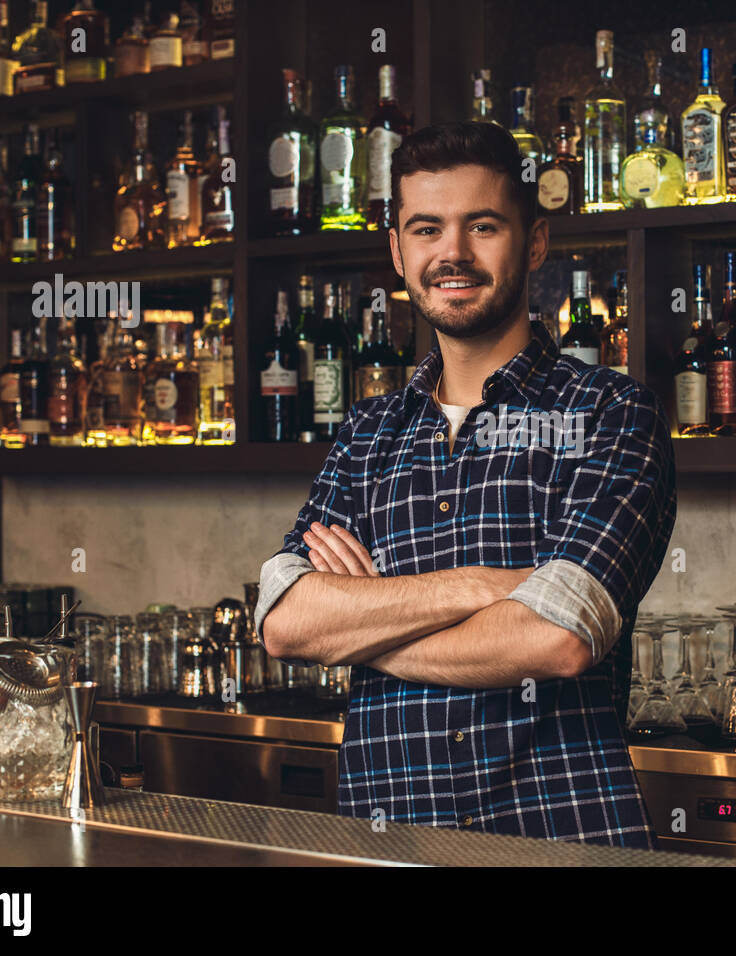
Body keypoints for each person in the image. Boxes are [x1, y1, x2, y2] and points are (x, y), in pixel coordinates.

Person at [256, 121, 676, 848]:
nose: (452, 254)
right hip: (390, 851)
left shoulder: (610, 414)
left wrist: (360, 632)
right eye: (426, 229)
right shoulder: (367, 433)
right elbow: (287, 622)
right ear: (398, 251)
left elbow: (559, 636)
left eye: (481, 226)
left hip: (561, 849)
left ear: (534, 242)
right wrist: (482, 586)